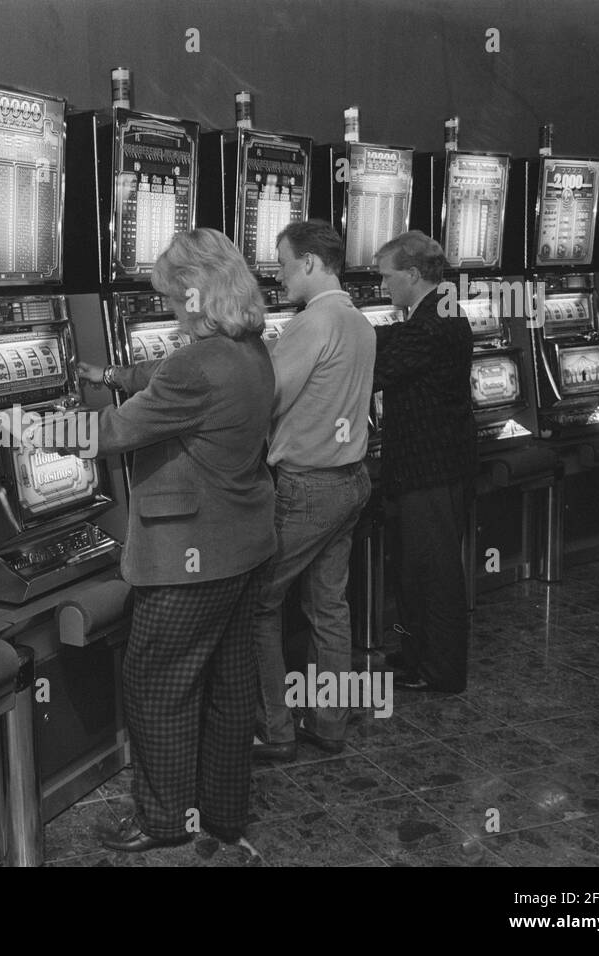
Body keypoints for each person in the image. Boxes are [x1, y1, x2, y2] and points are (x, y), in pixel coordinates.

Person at [65, 227, 277, 851]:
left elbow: (112, 434)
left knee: (158, 685)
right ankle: (222, 812)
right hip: (247, 545)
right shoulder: (250, 344)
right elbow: (177, 379)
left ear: (194, 294)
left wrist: (31, 424)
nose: (165, 307)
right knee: (231, 688)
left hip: (192, 557)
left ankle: (162, 821)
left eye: (168, 296)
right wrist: (114, 372)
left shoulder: (196, 363)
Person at [250, 221, 375, 762]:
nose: (278, 277)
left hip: (306, 487)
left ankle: (274, 730)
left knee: (258, 602)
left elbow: (264, 398)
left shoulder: (312, 323)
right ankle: (330, 722)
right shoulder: (360, 321)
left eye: (282, 265)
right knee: (329, 607)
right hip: (351, 480)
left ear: (310, 264)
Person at [372, 230, 477, 693]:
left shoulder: (432, 322)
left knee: (436, 572)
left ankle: (442, 671)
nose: (383, 287)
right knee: (418, 567)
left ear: (412, 274)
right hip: (435, 463)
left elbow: (381, 371)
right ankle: (417, 657)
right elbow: (395, 335)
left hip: (430, 467)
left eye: (387, 277)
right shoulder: (438, 309)